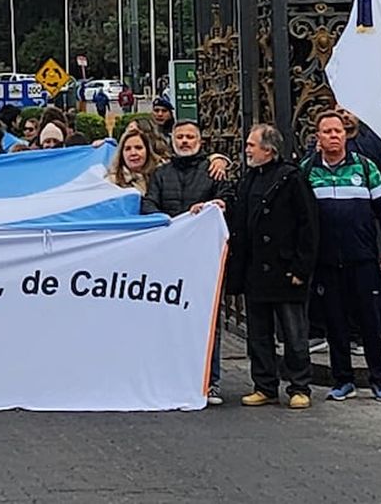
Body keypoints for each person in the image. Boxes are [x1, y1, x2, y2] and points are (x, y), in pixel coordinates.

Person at [305, 111, 381, 403]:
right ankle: (343, 380)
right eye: (327, 132)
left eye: (338, 131)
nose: (333, 136)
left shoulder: (366, 166)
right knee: (335, 323)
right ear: (318, 138)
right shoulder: (307, 169)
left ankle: (379, 380)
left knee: (370, 322)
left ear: (345, 135)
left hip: (362, 258)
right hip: (326, 260)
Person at [142, 119, 234, 405]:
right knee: (167, 320)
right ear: (171, 140)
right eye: (179, 136)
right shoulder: (160, 174)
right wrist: (169, 224)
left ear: (200, 141)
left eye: (189, 136)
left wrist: (214, 206)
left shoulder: (213, 171)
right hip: (169, 262)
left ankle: (211, 381)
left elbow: (228, 198)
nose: (184, 141)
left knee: (208, 321)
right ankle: (170, 379)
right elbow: (148, 205)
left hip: (203, 263)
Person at [228, 124, 319, 410]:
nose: (247, 150)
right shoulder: (249, 179)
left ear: (268, 149)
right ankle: (264, 386)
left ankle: (299, 386)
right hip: (256, 272)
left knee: (294, 335)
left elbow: (309, 226)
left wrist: (301, 268)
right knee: (259, 335)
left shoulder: (292, 179)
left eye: (251, 145)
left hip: (286, 270)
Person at [106, 129, 160, 195]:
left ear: (147, 151)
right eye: (127, 149)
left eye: (138, 148)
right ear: (121, 154)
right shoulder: (110, 182)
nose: (133, 153)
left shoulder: (161, 176)